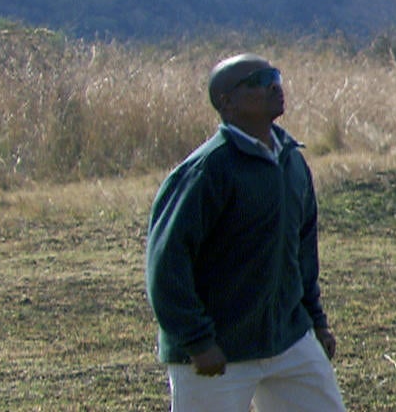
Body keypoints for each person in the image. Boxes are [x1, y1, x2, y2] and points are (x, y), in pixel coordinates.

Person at [146, 54, 345, 412]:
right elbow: (167, 265)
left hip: (287, 339)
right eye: (258, 80)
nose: (273, 86)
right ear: (227, 102)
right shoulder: (208, 170)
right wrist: (197, 341)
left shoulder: (292, 162)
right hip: (217, 350)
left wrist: (315, 320)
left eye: (275, 76)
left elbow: (302, 253)